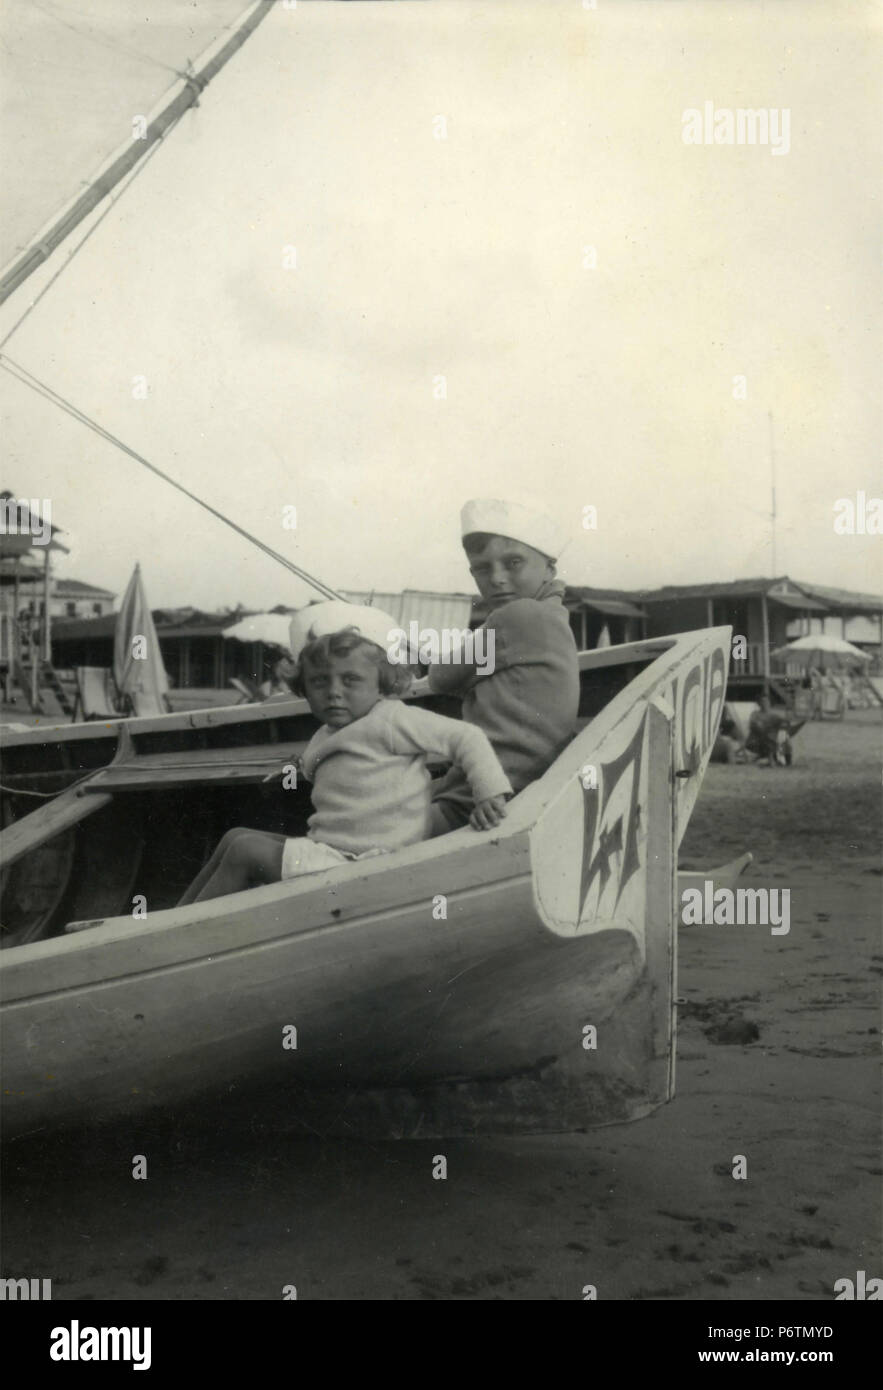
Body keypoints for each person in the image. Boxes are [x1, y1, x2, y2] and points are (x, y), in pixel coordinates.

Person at [178, 603, 512, 904]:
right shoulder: (327, 733)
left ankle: (181, 933)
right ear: (304, 688)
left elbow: (467, 737)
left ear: (382, 682)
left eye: (350, 679)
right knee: (235, 836)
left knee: (244, 850)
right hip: (334, 852)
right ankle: (176, 918)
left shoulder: (392, 718)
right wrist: (293, 770)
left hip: (372, 861)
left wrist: (488, 794)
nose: (334, 693)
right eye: (320, 681)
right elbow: (326, 764)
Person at [426, 498, 580, 835]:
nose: (496, 579)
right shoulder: (554, 617)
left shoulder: (515, 616)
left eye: (513, 563)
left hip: (480, 798)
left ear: (550, 569)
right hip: (527, 785)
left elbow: (439, 678)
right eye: (482, 568)